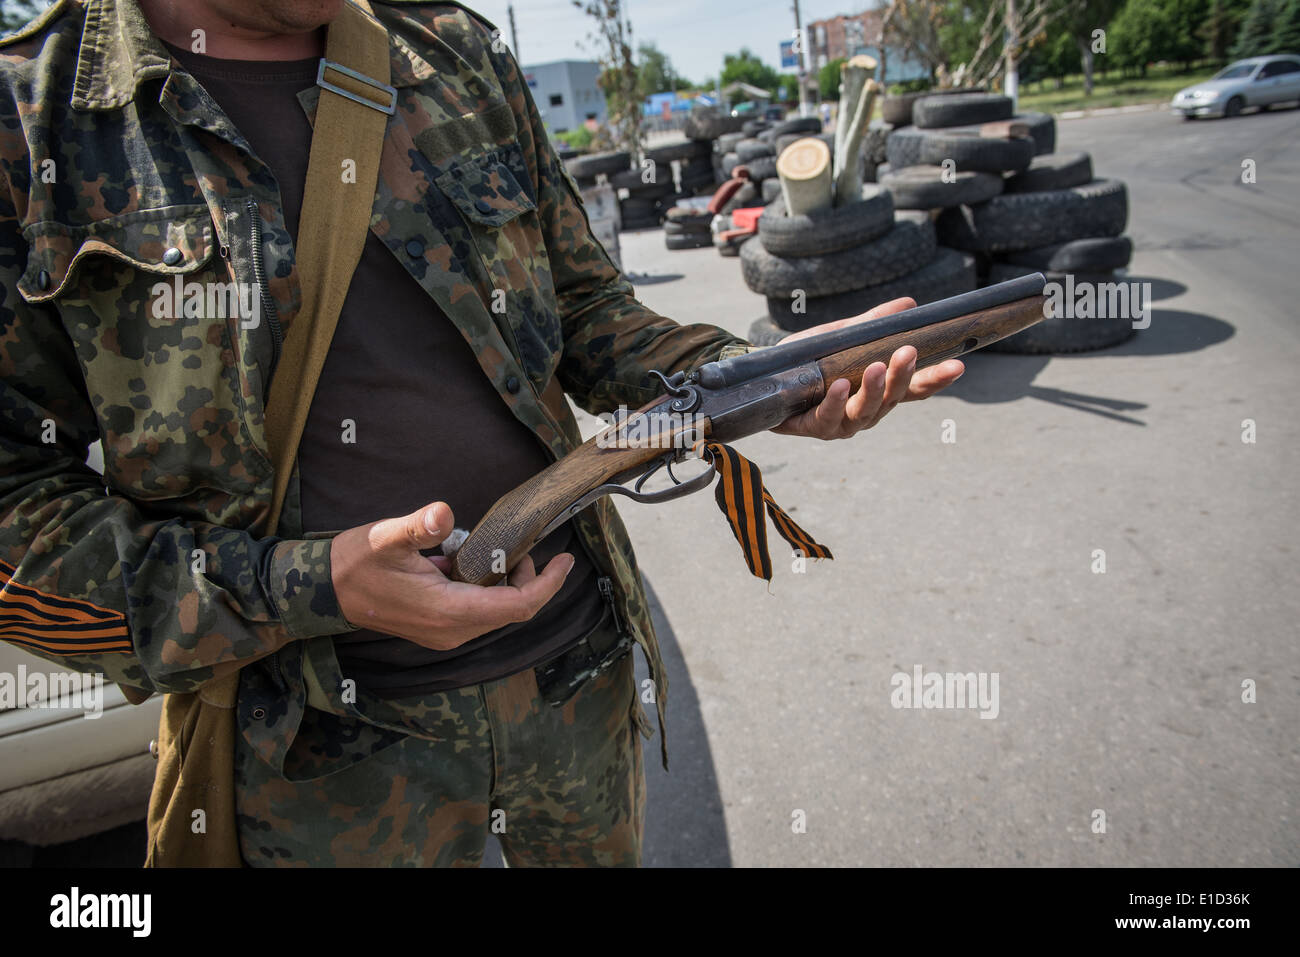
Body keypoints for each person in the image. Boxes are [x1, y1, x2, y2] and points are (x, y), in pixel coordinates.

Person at [0, 0, 964, 866]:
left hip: (571, 683)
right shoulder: (30, 121)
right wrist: (303, 585)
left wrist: (766, 374)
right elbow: (14, 523)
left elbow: (587, 312)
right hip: (318, 762)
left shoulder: (449, 50)